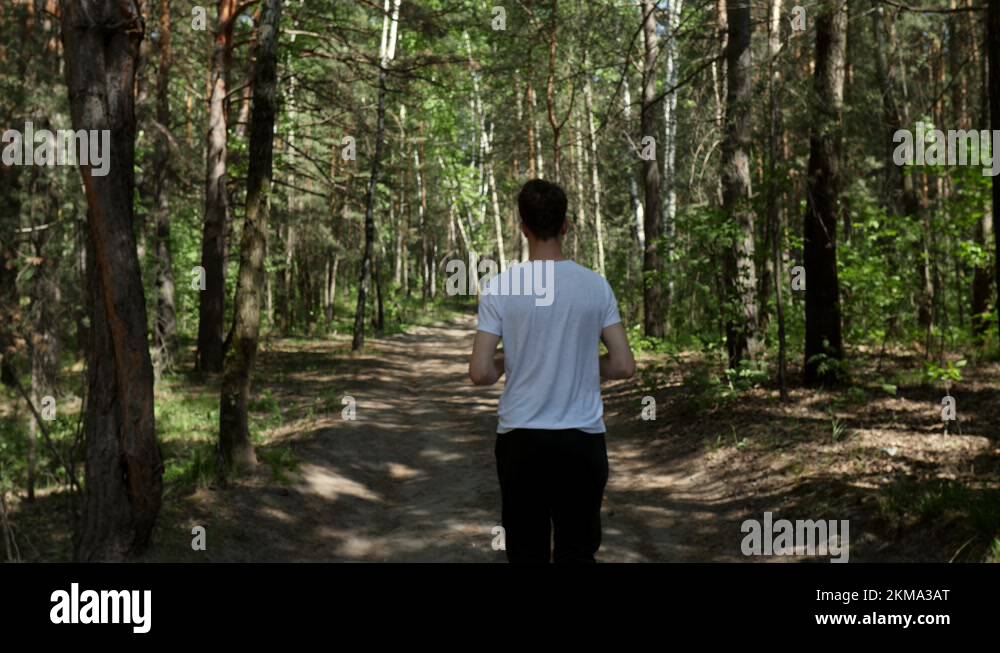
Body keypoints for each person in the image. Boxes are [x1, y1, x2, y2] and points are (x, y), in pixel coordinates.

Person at [468, 178, 636, 563]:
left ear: (523, 227)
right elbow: (624, 365)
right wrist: (578, 360)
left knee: (526, 553)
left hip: (521, 442)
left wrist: (517, 359)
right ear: (566, 226)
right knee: (577, 553)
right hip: (581, 442)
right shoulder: (596, 286)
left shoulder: (500, 288)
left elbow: (479, 373)